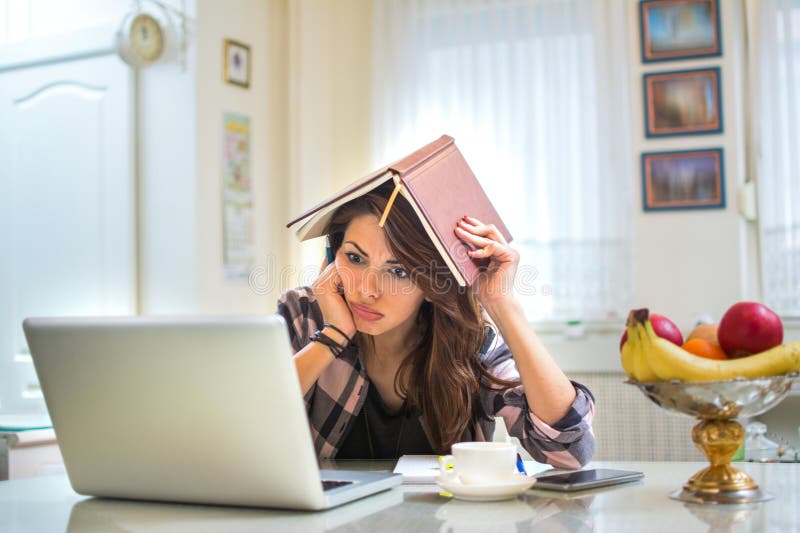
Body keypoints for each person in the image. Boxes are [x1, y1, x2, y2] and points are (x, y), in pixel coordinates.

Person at [277, 182, 595, 467]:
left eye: (398, 272)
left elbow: (570, 452)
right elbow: (246, 431)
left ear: (433, 284)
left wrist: (503, 304)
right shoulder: (305, 315)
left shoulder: (468, 339)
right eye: (355, 258)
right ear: (332, 260)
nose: (367, 290)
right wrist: (332, 337)